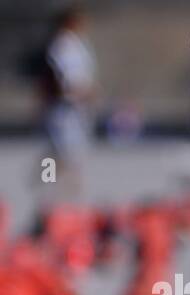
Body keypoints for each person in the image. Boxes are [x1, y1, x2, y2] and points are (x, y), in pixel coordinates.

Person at [38, 6, 97, 193]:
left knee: (72, 150)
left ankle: (65, 188)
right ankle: (51, 185)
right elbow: (64, 77)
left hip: (76, 107)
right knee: (65, 150)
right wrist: (79, 92)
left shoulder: (77, 43)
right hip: (64, 106)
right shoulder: (61, 45)